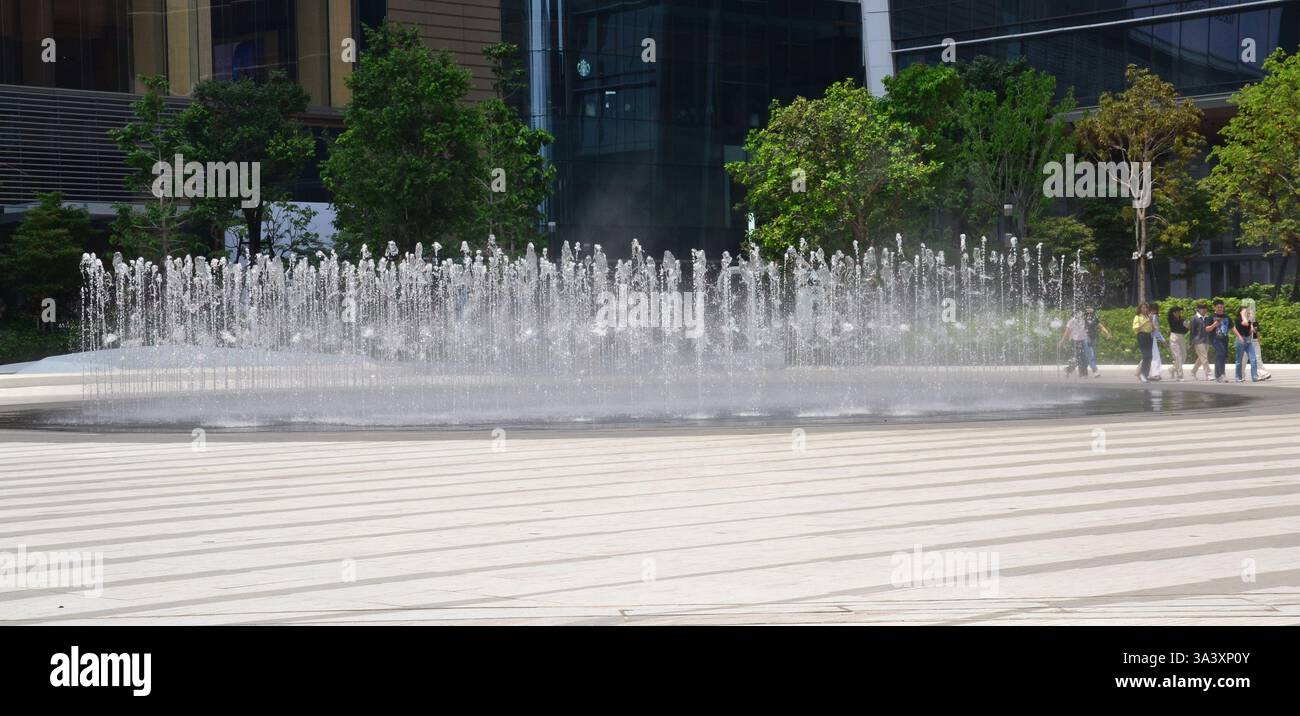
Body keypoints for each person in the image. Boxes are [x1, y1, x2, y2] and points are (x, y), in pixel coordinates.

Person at [1241, 298, 1272, 381]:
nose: (1250, 312)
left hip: (1254, 341)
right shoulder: (1243, 320)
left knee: (1257, 358)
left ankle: (1263, 373)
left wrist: (1259, 341)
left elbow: (1257, 332)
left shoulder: (1254, 321)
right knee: (1243, 359)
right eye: (1248, 310)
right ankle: (1241, 375)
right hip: (1245, 341)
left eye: (1251, 310)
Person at [1057, 311, 1089, 378]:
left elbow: (1086, 330)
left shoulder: (1084, 320)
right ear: (1076, 314)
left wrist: (1089, 338)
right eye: (1079, 313)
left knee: (1085, 357)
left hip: (1083, 341)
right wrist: (1061, 341)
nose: (1081, 314)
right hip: (1075, 341)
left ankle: (1083, 373)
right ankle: (1069, 370)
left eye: (1082, 313)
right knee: (1077, 358)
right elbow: (1067, 332)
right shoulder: (1071, 321)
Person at [1234, 303, 1261, 382]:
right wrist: (1243, 315)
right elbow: (1245, 323)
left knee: (1253, 359)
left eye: (1247, 311)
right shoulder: (1238, 319)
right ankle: (1238, 378)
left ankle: (1255, 377)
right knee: (1239, 360)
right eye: (1245, 311)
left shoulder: (1248, 319)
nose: (1247, 313)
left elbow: (1250, 331)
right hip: (1240, 340)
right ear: (1240, 312)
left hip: (1248, 340)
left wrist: (1253, 324)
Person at [1082, 307, 1111, 377]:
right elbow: (1082, 329)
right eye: (1088, 308)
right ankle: (1095, 372)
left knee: (1089, 356)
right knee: (1091, 355)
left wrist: (1107, 334)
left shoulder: (1095, 318)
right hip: (1086, 338)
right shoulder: (1083, 318)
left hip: (1094, 339)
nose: (1089, 309)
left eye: (1091, 308)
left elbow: (1101, 327)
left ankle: (1076, 370)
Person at [1208, 300, 1230, 382]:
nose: (1220, 309)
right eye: (1218, 307)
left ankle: (1221, 374)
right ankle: (1219, 375)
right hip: (1215, 339)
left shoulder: (1227, 317)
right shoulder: (1211, 317)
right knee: (1220, 353)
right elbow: (1207, 329)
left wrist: (1239, 336)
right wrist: (1214, 325)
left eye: (1221, 307)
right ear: (1215, 307)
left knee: (1223, 356)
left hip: (1225, 339)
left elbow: (1232, 327)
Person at [1189, 302, 1212, 380]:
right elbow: (1192, 331)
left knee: (1201, 358)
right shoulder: (1194, 318)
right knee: (1204, 357)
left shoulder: (1208, 318)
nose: (1204, 310)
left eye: (1205, 308)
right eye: (1202, 308)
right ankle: (1208, 374)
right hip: (1198, 340)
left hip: (1206, 340)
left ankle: (1193, 372)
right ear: (1198, 309)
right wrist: (1190, 342)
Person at [1132, 303, 1154, 383]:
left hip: (1149, 336)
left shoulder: (1148, 316)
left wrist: (1151, 321)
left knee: (1150, 356)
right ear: (1140, 309)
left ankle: (1145, 374)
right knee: (1146, 355)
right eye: (1143, 308)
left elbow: (1153, 329)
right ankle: (1142, 374)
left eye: (1146, 308)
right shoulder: (1137, 317)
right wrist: (1146, 322)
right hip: (1142, 335)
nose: (1145, 309)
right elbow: (1136, 328)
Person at [1165, 305, 1188, 381]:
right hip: (1174, 337)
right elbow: (1176, 325)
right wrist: (1184, 323)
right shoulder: (1171, 319)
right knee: (1178, 357)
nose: (1177, 313)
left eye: (1178, 311)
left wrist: (1187, 327)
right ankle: (1180, 376)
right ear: (1172, 313)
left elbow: (1184, 331)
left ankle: (1172, 369)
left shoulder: (1181, 320)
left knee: (1184, 356)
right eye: (1175, 312)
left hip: (1181, 337)